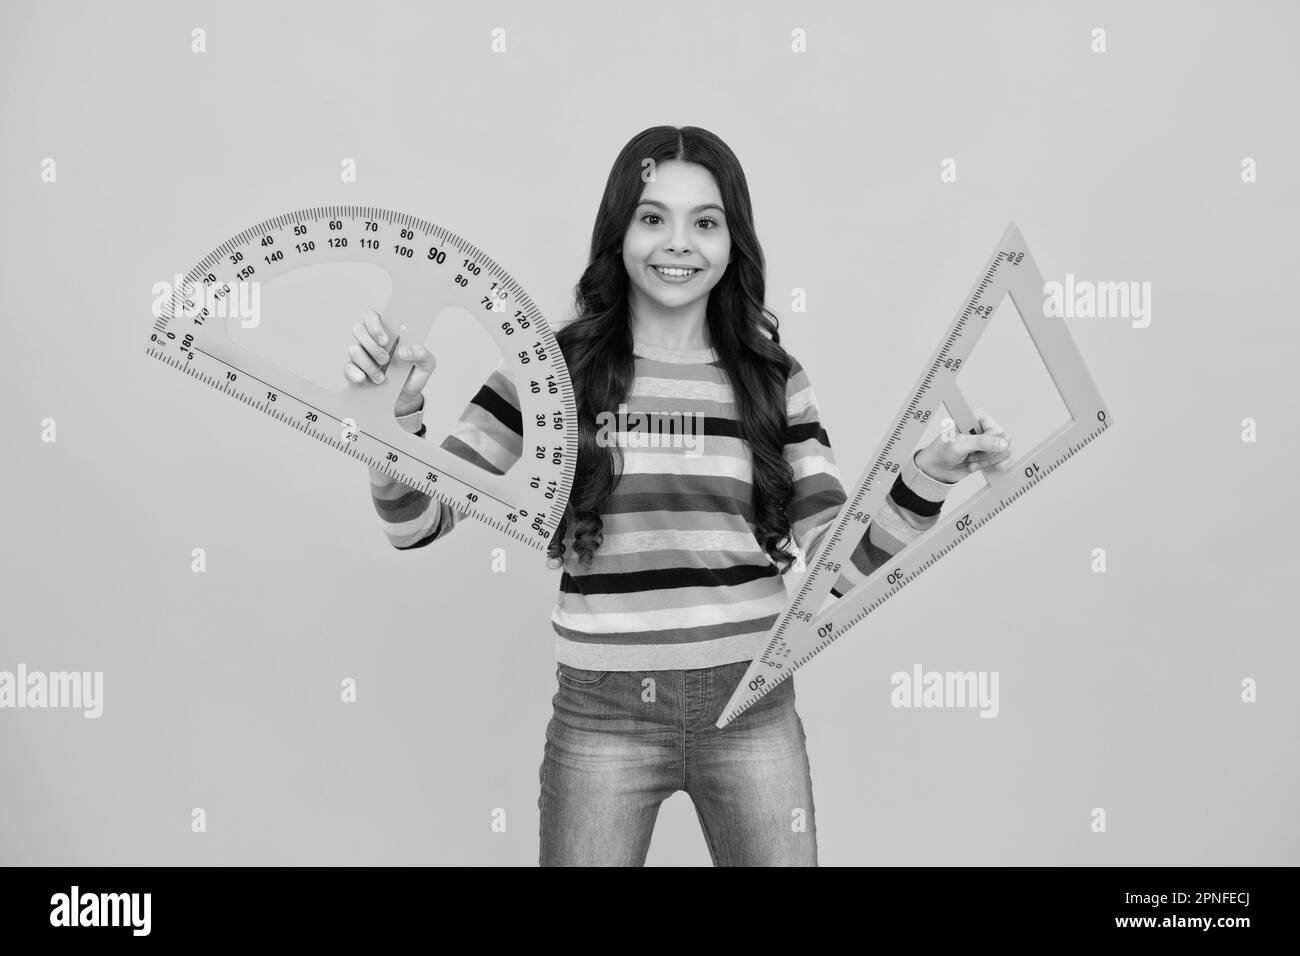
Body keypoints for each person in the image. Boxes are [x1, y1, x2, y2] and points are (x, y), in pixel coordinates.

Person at [347, 126, 1015, 866]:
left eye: (706, 222)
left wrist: (936, 471)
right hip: (601, 713)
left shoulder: (773, 378)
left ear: (734, 242)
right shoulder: (552, 369)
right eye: (652, 217)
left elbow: (838, 561)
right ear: (619, 231)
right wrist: (392, 424)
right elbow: (416, 524)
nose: (678, 244)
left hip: (751, 704)